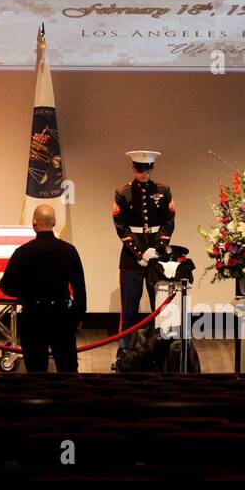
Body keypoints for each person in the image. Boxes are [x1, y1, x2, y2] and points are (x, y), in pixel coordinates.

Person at [0, 204, 87, 373]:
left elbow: (6, 286)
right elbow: (79, 289)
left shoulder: (22, 252)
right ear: (54, 222)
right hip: (61, 316)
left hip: (33, 315)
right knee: (67, 370)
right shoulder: (69, 251)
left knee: (35, 370)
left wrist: (25, 296)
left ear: (34, 223)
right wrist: (77, 317)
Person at [112, 149, 175, 365]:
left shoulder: (163, 190)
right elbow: (121, 227)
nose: (143, 173)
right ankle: (124, 353)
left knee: (159, 308)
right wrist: (140, 252)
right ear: (133, 168)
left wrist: (155, 251)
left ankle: (158, 353)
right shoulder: (123, 193)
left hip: (157, 257)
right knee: (129, 308)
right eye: (139, 168)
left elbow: (168, 222)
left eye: (147, 168)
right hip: (131, 259)